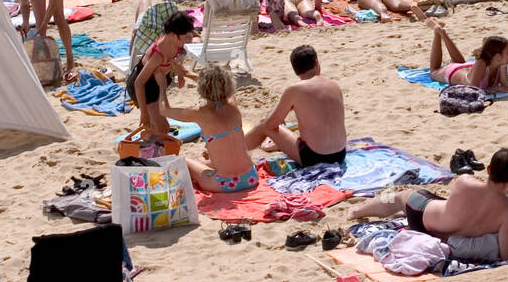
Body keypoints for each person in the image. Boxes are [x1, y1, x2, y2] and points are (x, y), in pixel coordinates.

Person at [349, 149, 508, 263]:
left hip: (422, 218)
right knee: (419, 199)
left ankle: (357, 211)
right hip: (440, 234)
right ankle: (358, 211)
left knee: (404, 197)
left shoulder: (465, 181)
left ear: (488, 169)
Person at [244, 45, 348, 166]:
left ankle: (238, 151)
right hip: (340, 154)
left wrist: (280, 112)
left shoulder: (295, 89)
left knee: (264, 124)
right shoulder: (334, 85)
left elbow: (270, 124)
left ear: (295, 69)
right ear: (316, 62)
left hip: (315, 157)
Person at [167, 64, 258, 193]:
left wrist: (160, 82)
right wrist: (187, 73)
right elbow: (218, 86)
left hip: (224, 184)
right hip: (251, 177)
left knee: (184, 161)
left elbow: (164, 109)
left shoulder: (200, 113)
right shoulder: (233, 106)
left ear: (201, 88)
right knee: (201, 160)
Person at [127, 12, 195, 141]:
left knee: (152, 127)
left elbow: (173, 61)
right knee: (162, 128)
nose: (189, 39)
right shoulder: (158, 54)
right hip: (144, 87)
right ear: (174, 35)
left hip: (156, 83)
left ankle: (147, 146)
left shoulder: (174, 42)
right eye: (185, 36)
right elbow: (138, 83)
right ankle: (149, 150)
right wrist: (144, 112)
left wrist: (180, 74)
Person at [14, 0, 74, 77]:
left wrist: (45, 23)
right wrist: (25, 23)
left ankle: (70, 59)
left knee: (59, 18)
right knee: (39, 23)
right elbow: (24, 3)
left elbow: (53, 3)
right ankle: (44, 64)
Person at [418, 15, 508, 92]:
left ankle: (443, 33)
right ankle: (437, 32)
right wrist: (495, 89)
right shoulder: (481, 64)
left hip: (466, 68)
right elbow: (474, 90)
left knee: (460, 62)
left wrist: (504, 66)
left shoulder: (500, 64)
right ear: (498, 56)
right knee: (433, 71)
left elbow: (505, 86)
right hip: (452, 73)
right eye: (507, 53)